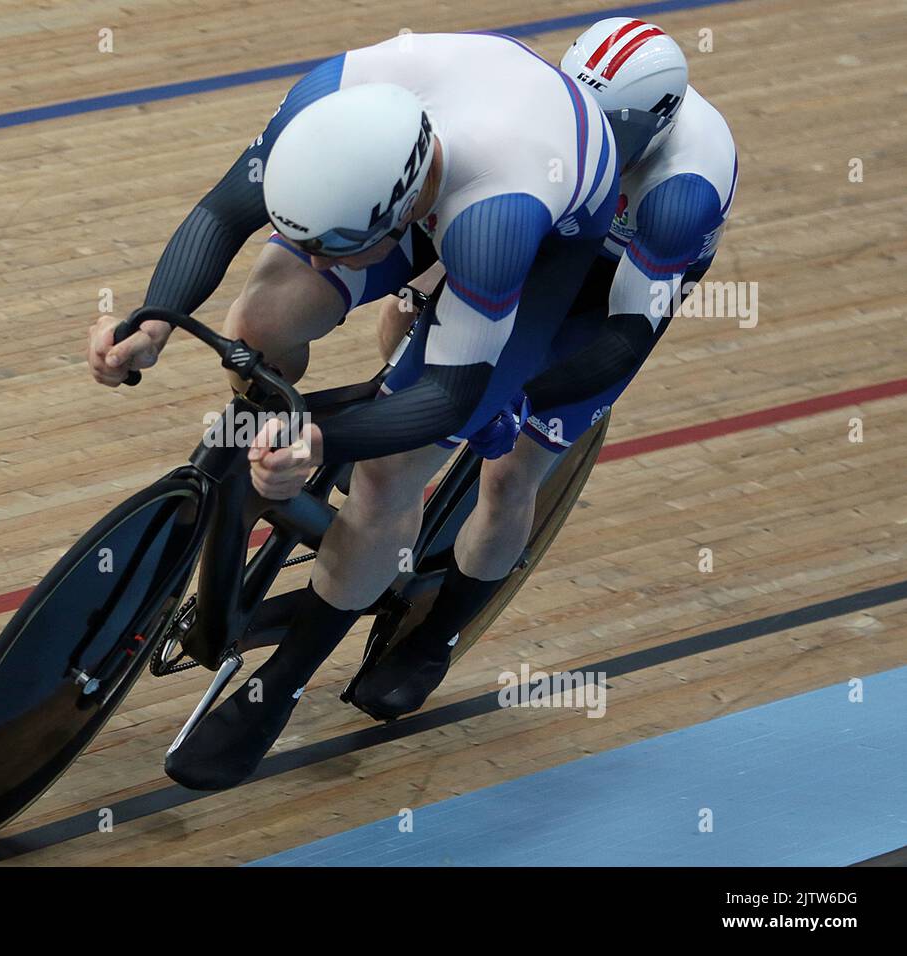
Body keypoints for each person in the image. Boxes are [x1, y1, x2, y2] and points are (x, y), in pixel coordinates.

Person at [87, 32, 620, 790]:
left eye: (335, 247)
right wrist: (152, 322)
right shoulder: (327, 99)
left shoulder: (492, 223)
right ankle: (274, 455)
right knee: (259, 320)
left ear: (404, 218)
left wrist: (320, 439)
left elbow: (451, 396)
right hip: (445, 161)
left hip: (547, 243)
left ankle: (285, 679)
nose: (320, 262)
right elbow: (221, 215)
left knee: (389, 473)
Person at [351, 17, 739, 719]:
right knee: (402, 325)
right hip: (557, 226)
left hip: (614, 286)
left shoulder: (683, 190)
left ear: (653, 126)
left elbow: (624, 336)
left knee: (511, 473)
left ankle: (436, 638)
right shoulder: (553, 110)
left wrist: (523, 400)